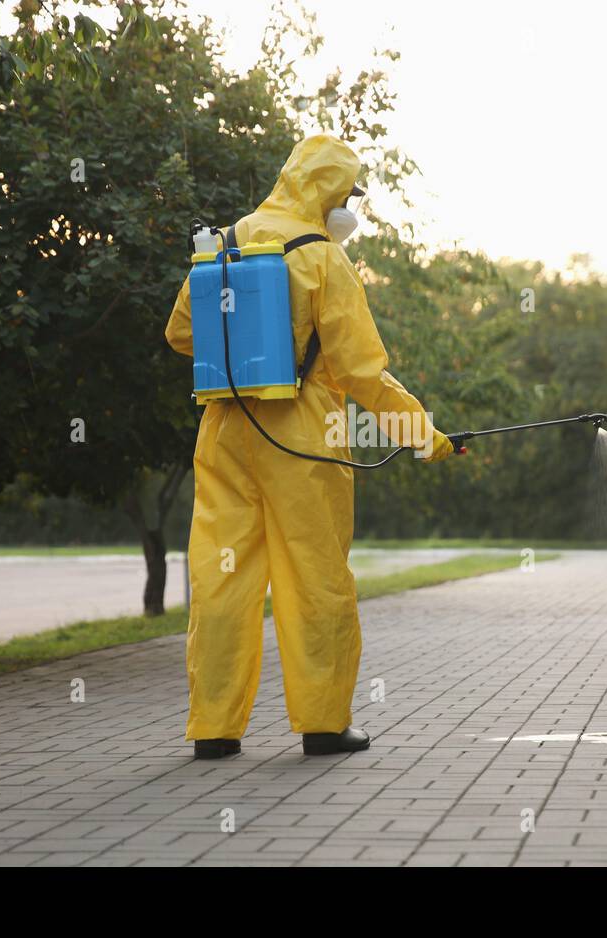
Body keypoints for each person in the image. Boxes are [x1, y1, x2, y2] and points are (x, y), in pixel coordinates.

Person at [165, 134, 454, 759]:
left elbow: (181, 333)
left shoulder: (228, 241)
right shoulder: (325, 259)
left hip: (224, 429)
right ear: (327, 190)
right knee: (315, 578)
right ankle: (323, 725)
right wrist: (421, 434)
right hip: (304, 437)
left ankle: (213, 731)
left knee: (222, 579)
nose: (351, 206)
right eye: (349, 194)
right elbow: (361, 373)